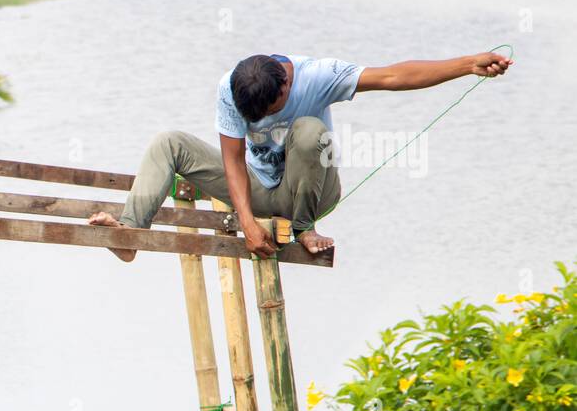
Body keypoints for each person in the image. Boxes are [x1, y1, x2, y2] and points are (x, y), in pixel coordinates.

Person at [89, 50, 512, 259]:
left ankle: (305, 226)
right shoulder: (229, 90)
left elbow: (394, 76)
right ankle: (129, 235)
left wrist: (467, 64)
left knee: (309, 132)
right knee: (169, 141)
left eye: (267, 111)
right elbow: (233, 160)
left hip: (309, 190)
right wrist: (250, 223)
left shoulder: (318, 77)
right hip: (256, 188)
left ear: (285, 89)